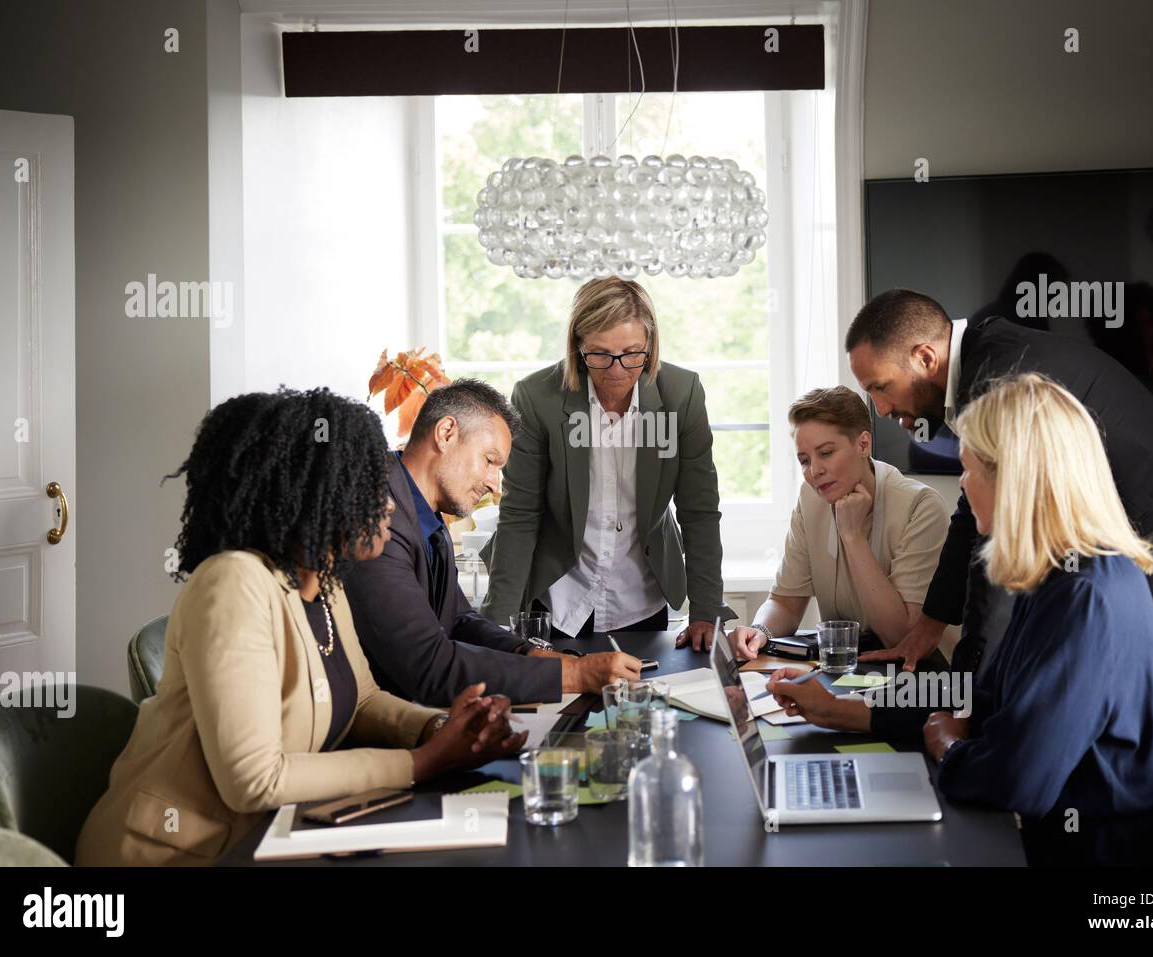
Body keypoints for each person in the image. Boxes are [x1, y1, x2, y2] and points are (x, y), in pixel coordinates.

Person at [843, 288, 1153, 810]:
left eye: (880, 388)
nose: (881, 409)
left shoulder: (1004, 376)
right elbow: (973, 514)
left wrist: (963, 701)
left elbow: (984, 545)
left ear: (925, 358)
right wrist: (933, 626)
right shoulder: (986, 363)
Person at [75, 389, 526, 866]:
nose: (389, 505)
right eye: (369, 484)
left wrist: (443, 727)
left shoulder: (324, 583)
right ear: (314, 492)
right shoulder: (233, 583)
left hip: (274, 839)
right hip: (176, 853)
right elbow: (254, 780)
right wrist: (422, 763)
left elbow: (365, 700)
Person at [770, 374, 1153, 866]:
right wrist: (849, 712)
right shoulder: (1060, 576)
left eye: (970, 473)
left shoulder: (1086, 594)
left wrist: (948, 748)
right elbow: (983, 701)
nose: (964, 492)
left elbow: (1018, 779)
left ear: (1018, 477)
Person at [344, 379, 640, 706]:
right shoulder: (376, 518)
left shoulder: (424, 512)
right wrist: (575, 676)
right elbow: (428, 666)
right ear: (446, 433)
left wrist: (530, 652)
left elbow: (457, 618)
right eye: (489, 460)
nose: (494, 485)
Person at [480, 277, 735, 650]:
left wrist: (706, 611)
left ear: (651, 345)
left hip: (641, 600)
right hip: (558, 597)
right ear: (577, 346)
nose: (616, 370)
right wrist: (496, 628)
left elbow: (699, 511)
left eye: (632, 353)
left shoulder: (682, 396)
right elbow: (520, 514)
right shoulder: (537, 398)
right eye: (599, 354)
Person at [726, 386, 949, 659]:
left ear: (863, 444)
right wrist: (760, 631)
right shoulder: (810, 499)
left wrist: (852, 535)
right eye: (804, 460)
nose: (814, 471)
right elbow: (785, 602)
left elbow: (900, 636)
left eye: (826, 453)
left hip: (918, 679)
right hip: (846, 669)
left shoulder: (921, 507)